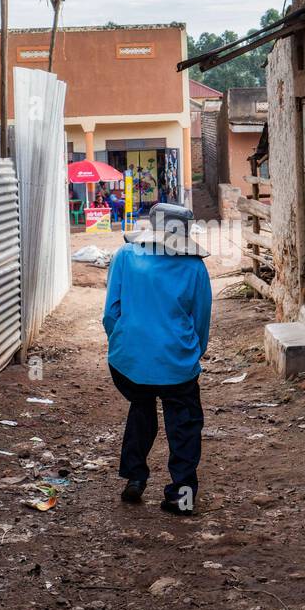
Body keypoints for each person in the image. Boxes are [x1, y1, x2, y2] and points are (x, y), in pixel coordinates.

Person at [102, 204, 212, 515]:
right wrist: (193, 353)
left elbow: (111, 313)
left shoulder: (126, 256)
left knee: (142, 407)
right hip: (177, 363)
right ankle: (183, 497)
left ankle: (135, 478)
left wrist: (124, 342)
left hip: (129, 361)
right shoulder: (194, 268)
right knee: (184, 424)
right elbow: (200, 320)